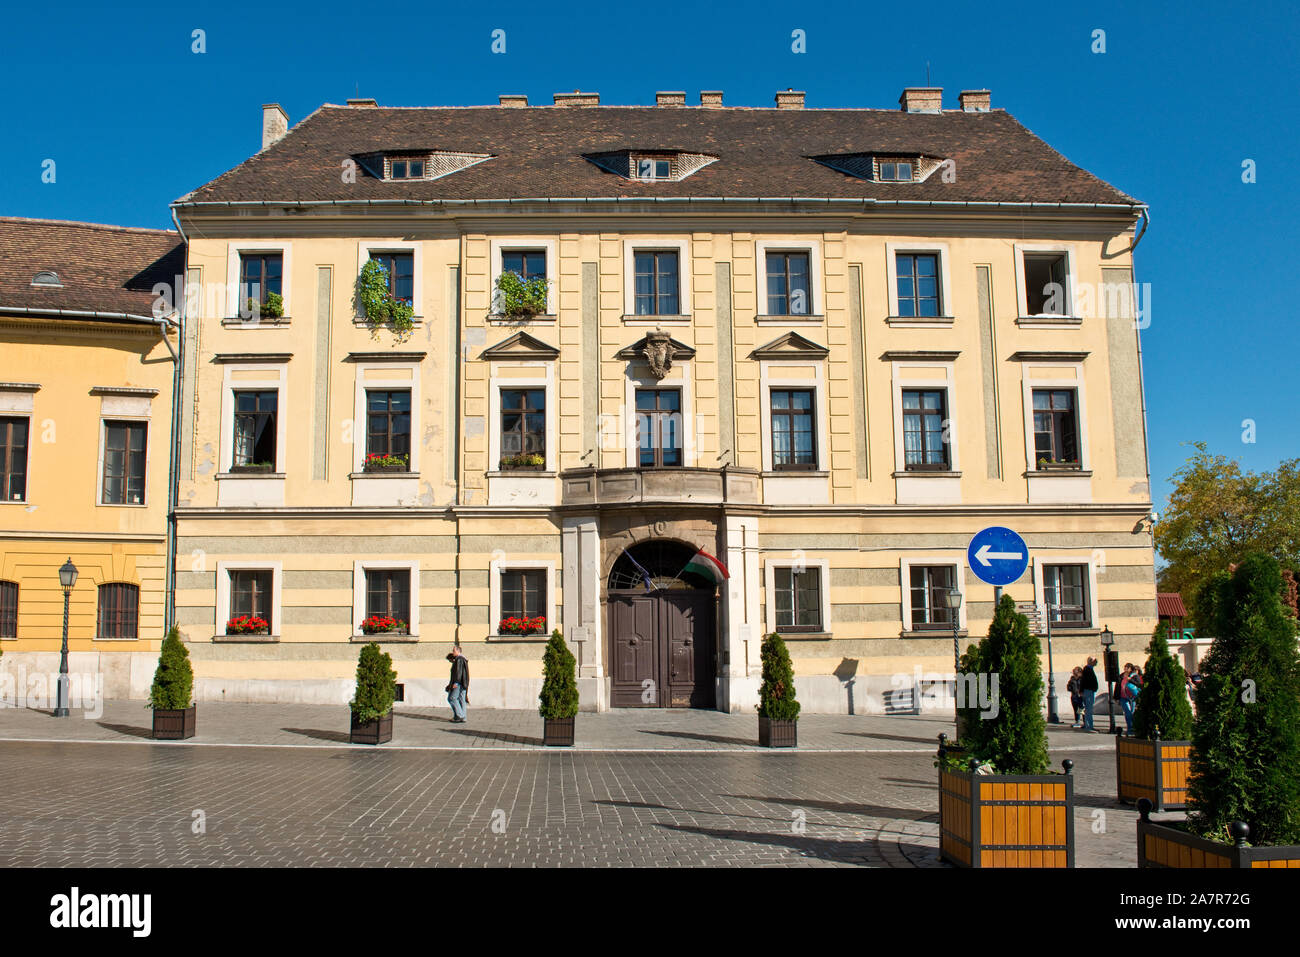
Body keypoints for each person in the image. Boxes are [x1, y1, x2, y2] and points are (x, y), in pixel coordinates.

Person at [446, 646, 470, 723]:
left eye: (454, 651)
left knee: (452, 698)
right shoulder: (463, 659)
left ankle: (460, 716)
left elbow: (458, 672)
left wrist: (456, 682)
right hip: (464, 683)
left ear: (458, 651)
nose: (453, 652)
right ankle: (463, 717)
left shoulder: (459, 659)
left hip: (459, 683)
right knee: (461, 699)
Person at [1119, 663, 1143, 736]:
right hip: (1123, 697)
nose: (1125, 669)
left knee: (1131, 713)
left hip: (1132, 698)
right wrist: (1116, 697)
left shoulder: (1134, 676)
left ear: (1130, 669)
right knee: (1128, 713)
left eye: (1127, 667)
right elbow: (1118, 685)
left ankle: (1133, 728)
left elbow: (1139, 684)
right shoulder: (1122, 675)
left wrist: (1130, 680)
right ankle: (1130, 728)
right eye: (1125, 667)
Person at [1080, 656, 1099, 731]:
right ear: (1090, 661)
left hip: (1090, 691)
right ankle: (1088, 726)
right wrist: (1081, 691)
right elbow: (1083, 681)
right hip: (1088, 691)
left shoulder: (1089, 669)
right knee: (1088, 709)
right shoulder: (1087, 670)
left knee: (1089, 709)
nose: (1096, 662)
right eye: (1095, 660)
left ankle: (1089, 725)